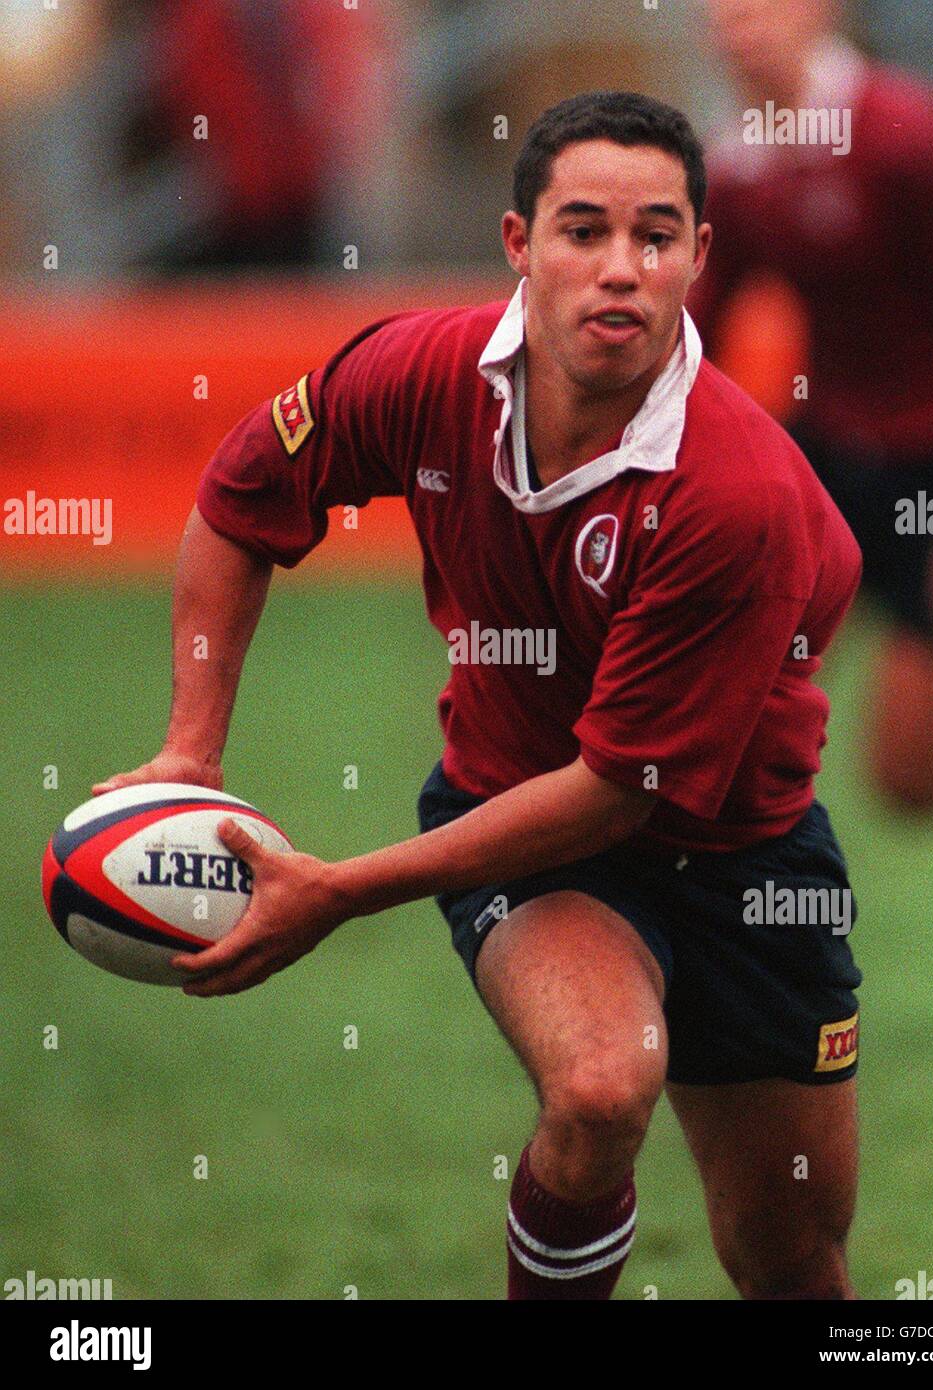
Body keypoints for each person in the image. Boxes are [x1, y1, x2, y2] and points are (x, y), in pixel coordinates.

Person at [94, 91, 864, 1300]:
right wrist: (191, 749)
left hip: (740, 851)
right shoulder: (421, 373)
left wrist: (338, 891)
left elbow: (620, 790)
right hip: (515, 817)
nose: (619, 268)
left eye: (655, 235)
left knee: (789, 1254)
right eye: (581, 230)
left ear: (697, 256)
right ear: (518, 244)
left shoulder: (737, 496)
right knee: (604, 1081)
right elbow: (240, 504)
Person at [693, 0, 933, 814]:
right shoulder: (733, 169)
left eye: (758, 3)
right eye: (720, 7)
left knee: (908, 778)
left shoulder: (902, 134)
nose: (736, 22)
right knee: (698, 663)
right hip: (832, 452)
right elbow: (689, 348)